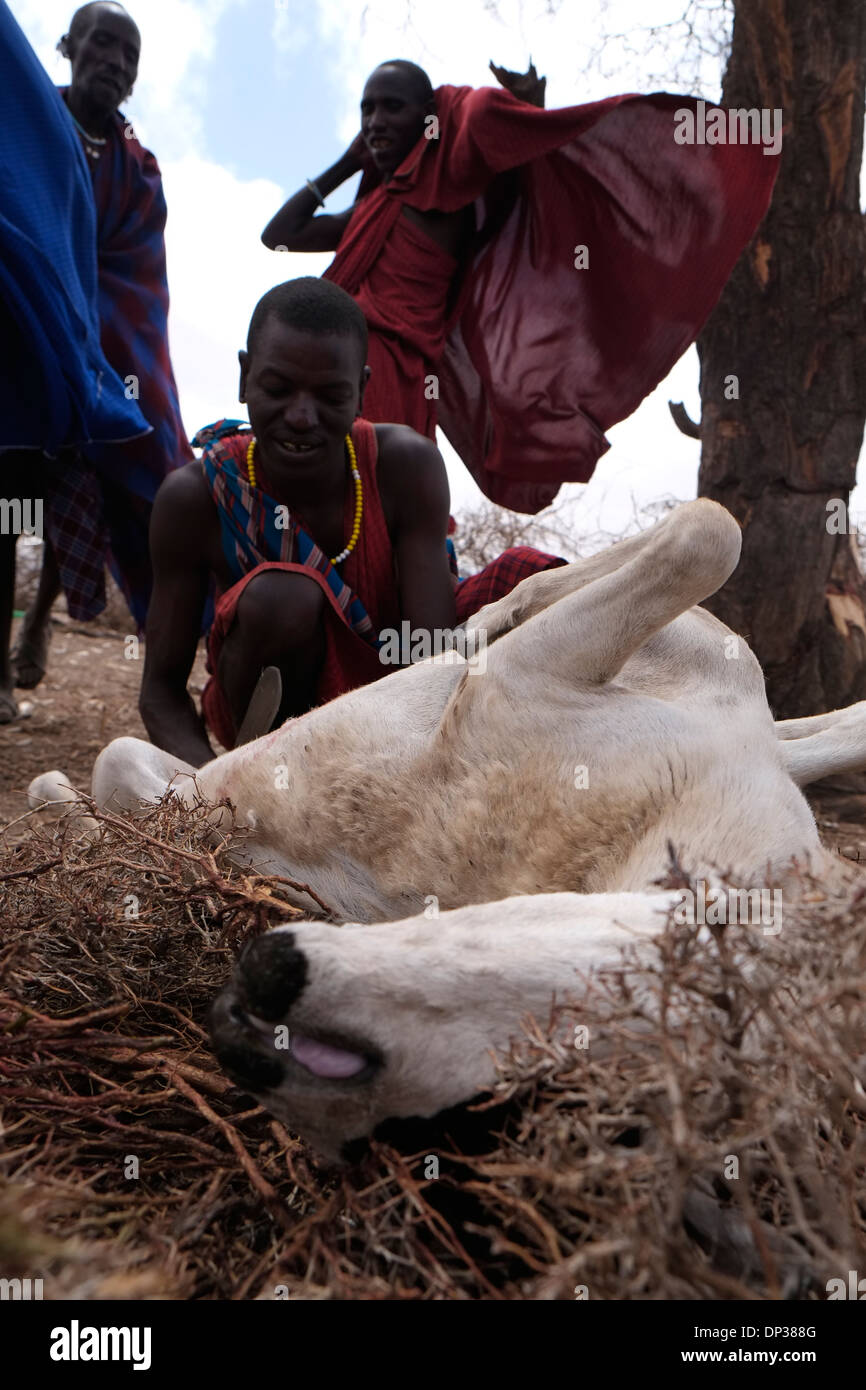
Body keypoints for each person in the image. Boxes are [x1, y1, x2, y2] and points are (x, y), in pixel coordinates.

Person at [263, 59, 781, 513]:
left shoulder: (446, 190)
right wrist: (349, 161)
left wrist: (509, 105)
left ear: (427, 118)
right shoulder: (375, 206)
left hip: (394, 372)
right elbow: (280, 235)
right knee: (295, 493)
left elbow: (486, 130)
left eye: (391, 107)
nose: (375, 120)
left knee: (371, 499)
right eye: (366, 110)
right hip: (334, 367)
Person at [139, 278, 566, 766]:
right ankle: (279, 778)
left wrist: (413, 762)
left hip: (398, 689)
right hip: (260, 718)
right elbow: (160, 693)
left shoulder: (405, 466)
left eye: (329, 396)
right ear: (244, 377)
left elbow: (428, 657)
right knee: (283, 598)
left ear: (362, 391)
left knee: (540, 585)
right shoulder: (195, 497)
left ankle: (545, 758)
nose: (301, 416)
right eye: (277, 389)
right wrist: (206, 793)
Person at [10, 1, 190, 692]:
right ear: (67, 46)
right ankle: (1, 669)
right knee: (9, 500)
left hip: (105, 360)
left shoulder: (140, 172)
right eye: (103, 44)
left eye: (129, 55)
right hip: (20, 343)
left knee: (91, 485)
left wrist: (91, 344)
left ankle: (40, 623)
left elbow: (135, 284)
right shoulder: (24, 126)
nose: (115, 62)